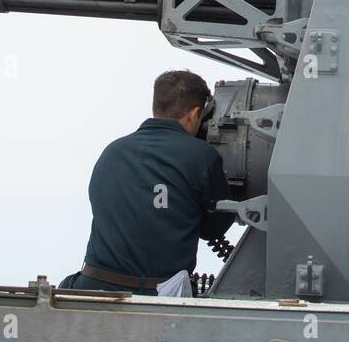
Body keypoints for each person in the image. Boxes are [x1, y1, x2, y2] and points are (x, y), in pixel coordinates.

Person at [58, 69, 235, 296]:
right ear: (195, 114)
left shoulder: (112, 152)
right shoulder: (201, 156)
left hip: (94, 287)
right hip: (159, 294)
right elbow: (214, 228)